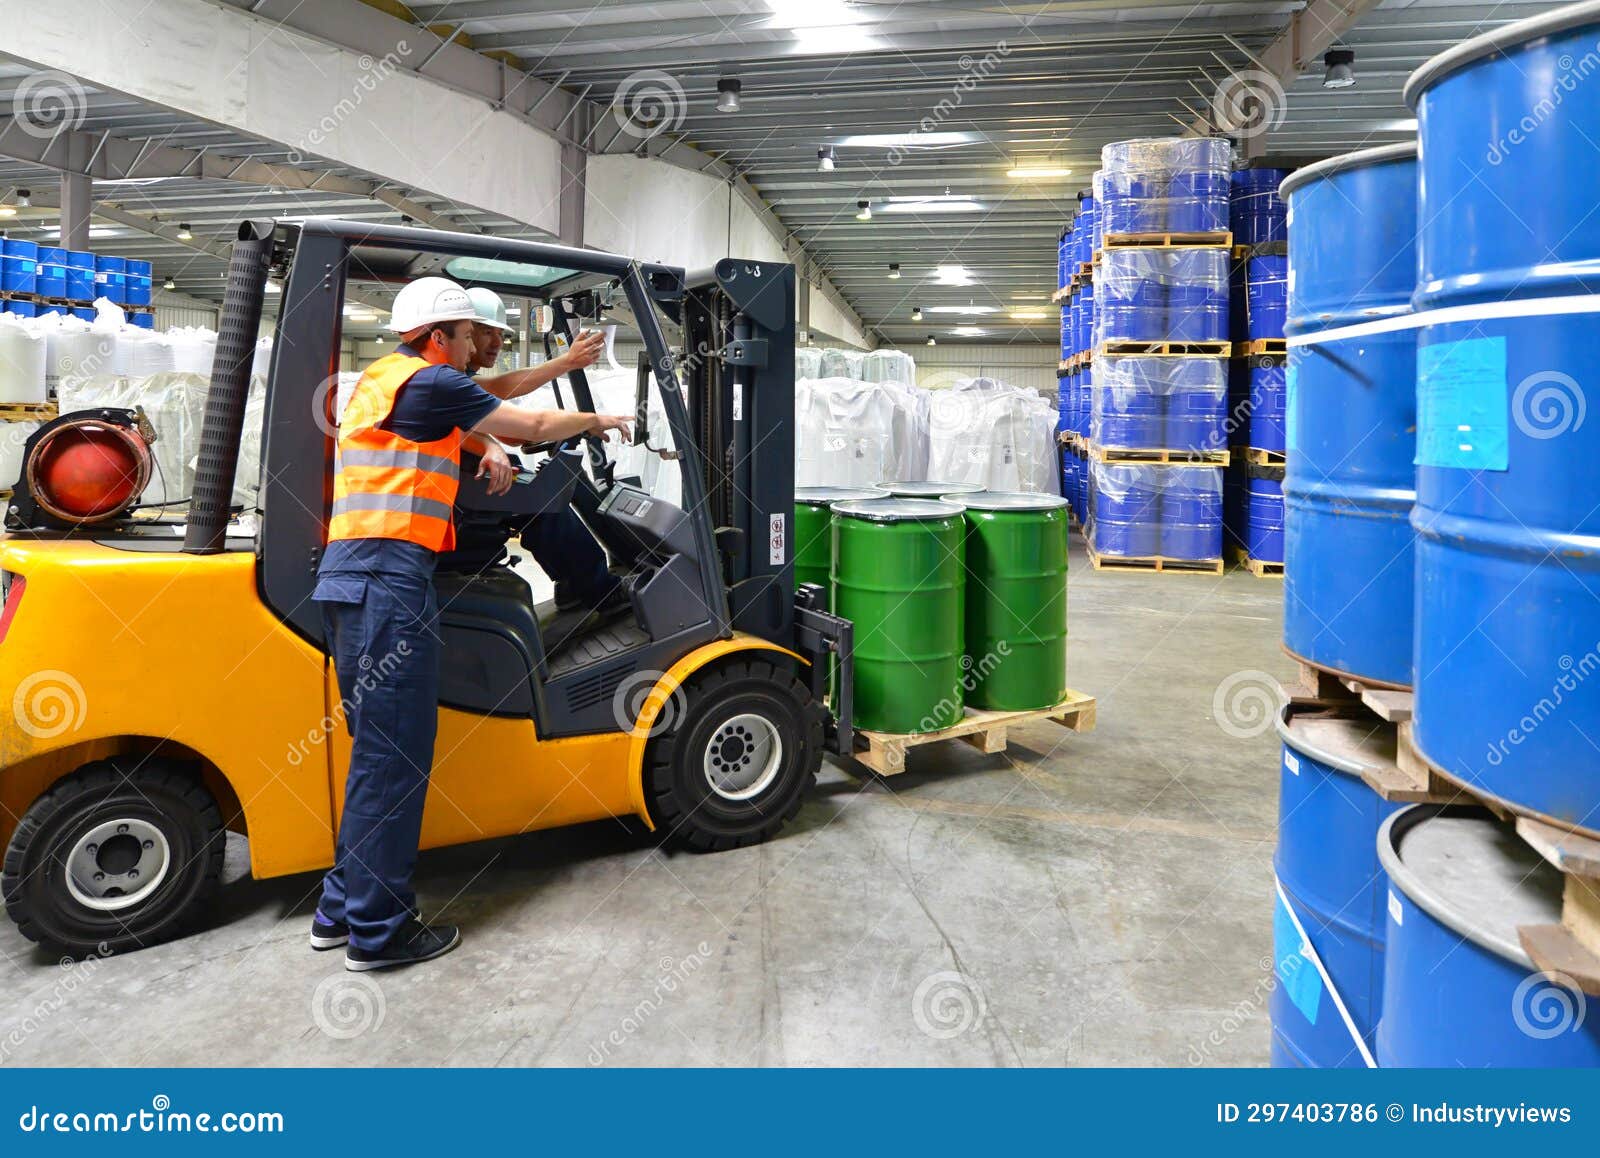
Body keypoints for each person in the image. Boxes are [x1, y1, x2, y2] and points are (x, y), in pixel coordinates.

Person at [309, 276, 632, 971]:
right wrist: (597, 420)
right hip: (386, 580)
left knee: (377, 759)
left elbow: (503, 390)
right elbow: (533, 422)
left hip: (355, 578)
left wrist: (555, 376)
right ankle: (379, 934)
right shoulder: (428, 382)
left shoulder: (393, 379)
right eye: (465, 336)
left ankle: (342, 906)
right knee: (393, 761)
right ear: (439, 338)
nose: (471, 349)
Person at [454, 288, 621, 612]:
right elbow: (527, 418)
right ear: (463, 332)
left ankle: (574, 584)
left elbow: (503, 401)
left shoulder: (460, 378)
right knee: (546, 503)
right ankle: (597, 588)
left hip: (460, 487)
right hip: (455, 499)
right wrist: (587, 420)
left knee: (536, 493)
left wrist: (501, 441)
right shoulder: (447, 378)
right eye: (485, 332)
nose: (496, 342)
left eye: (500, 333)